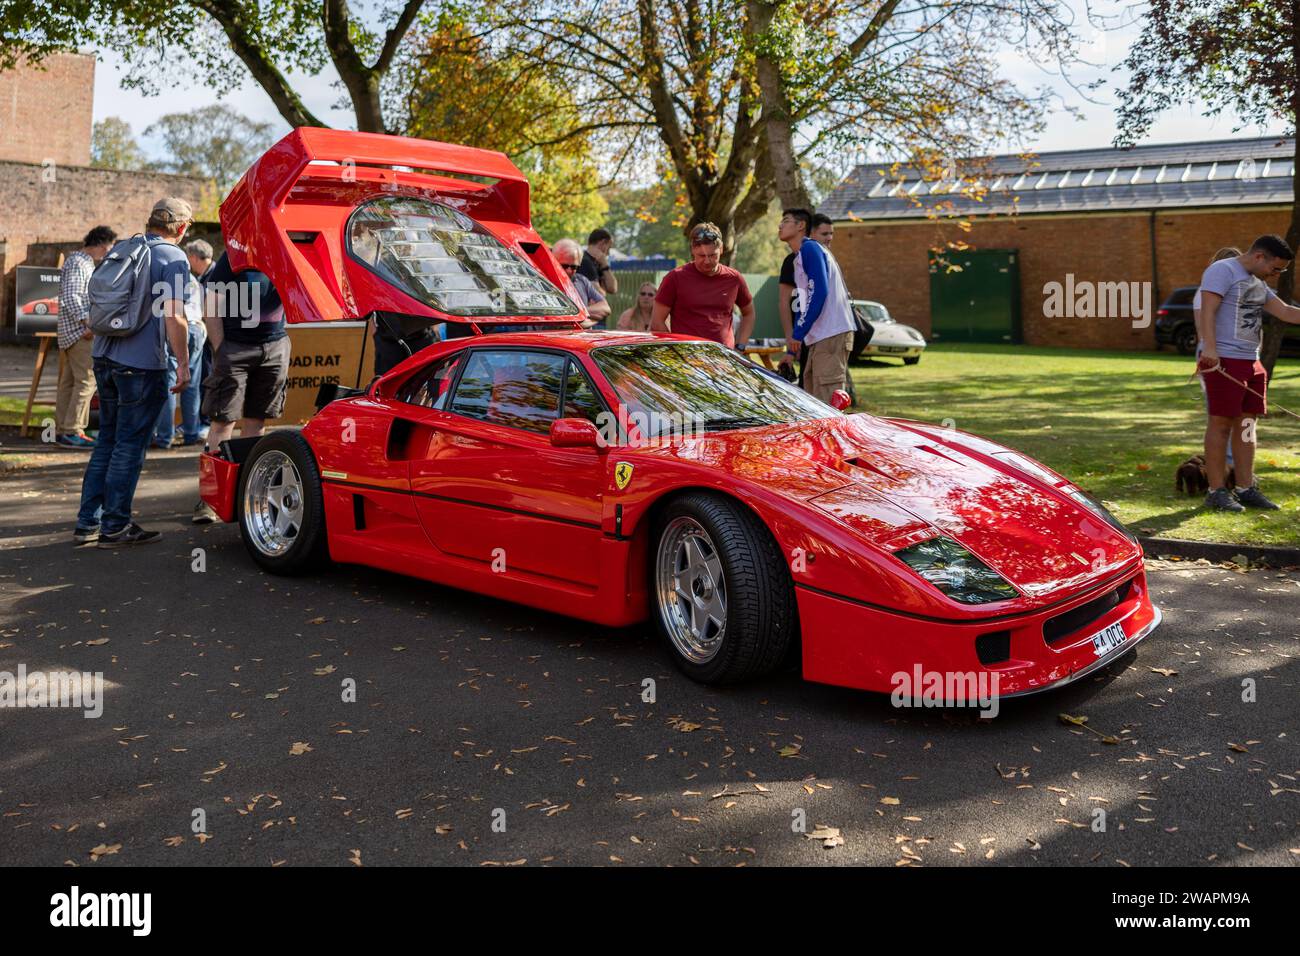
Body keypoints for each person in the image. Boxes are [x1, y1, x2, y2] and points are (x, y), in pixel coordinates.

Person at [74, 198, 193, 547]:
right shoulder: (173, 258)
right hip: (141, 365)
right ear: (182, 228)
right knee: (129, 446)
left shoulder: (126, 246)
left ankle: (87, 523)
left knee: (107, 442)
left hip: (105, 355)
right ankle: (115, 526)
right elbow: (175, 316)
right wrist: (183, 363)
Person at [1197, 234, 1300, 511]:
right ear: (1258, 256)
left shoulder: (1258, 282)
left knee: (1246, 425)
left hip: (1250, 361)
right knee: (1221, 424)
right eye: (1275, 268)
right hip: (1223, 359)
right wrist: (1210, 348)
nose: (1276, 274)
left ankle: (1245, 488)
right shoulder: (1223, 270)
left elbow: (1288, 313)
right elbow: (1207, 310)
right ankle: (1216, 491)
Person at [198, 254, 289, 521]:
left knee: (256, 422)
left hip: (274, 347)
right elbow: (211, 305)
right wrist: (221, 349)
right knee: (222, 423)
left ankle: (251, 496)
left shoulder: (283, 253)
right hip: (235, 348)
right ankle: (210, 500)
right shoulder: (236, 255)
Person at [778, 207, 855, 403]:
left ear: (801, 225)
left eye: (786, 220)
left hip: (831, 334)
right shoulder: (800, 257)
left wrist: (798, 333)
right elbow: (806, 303)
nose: (780, 225)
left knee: (828, 404)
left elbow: (819, 292)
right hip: (819, 337)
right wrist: (792, 348)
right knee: (814, 403)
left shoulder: (810, 249)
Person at [54, 225, 116, 448]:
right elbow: (72, 297)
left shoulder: (79, 262)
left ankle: (63, 429)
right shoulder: (80, 263)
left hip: (72, 332)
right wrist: (88, 323)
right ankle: (72, 430)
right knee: (86, 381)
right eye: (109, 248)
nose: (109, 253)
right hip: (81, 333)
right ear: (100, 244)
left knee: (69, 382)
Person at [651, 222, 755, 348]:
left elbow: (749, 313)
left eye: (712, 255)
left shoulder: (734, 278)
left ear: (721, 249)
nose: (707, 261)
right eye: (701, 256)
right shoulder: (675, 278)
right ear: (693, 250)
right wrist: (674, 350)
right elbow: (657, 322)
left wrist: (741, 346)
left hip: (724, 361)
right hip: (687, 359)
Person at [151, 239, 212, 449]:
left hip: (181, 327)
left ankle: (164, 437)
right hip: (198, 327)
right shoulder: (194, 280)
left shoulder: (172, 277)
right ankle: (191, 433)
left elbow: (173, 312)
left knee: (170, 382)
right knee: (191, 385)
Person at [554, 238, 611, 328]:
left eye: (574, 267)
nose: (569, 270)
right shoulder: (545, 284)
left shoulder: (582, 281)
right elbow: (559, 322)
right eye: (564, 266)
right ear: (554, 262)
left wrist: (579, 313)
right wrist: (591, 316)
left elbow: (605, 308)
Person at [578, 227, 618, 295]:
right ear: (602, 243)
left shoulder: (598, 263)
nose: (608, 253)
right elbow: (599, 295)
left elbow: (613, 288)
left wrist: (605, 265)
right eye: (609, 248)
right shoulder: (585, 262)